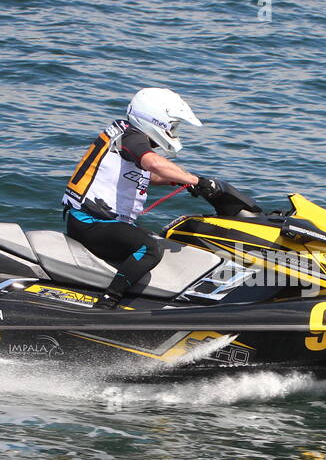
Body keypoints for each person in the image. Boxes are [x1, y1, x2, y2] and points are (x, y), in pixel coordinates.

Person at [62, 88, 227, 308]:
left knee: (159, 239)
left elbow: (143, 174)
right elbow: (153, 164)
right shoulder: (131, 136)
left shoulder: (126, 138)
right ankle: (108, 302)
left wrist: (177, 181)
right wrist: (197, 180)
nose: (174, 132)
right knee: (149, 248)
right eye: (173, 126)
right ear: (156, 119)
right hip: (90, 222)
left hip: (96, 222)